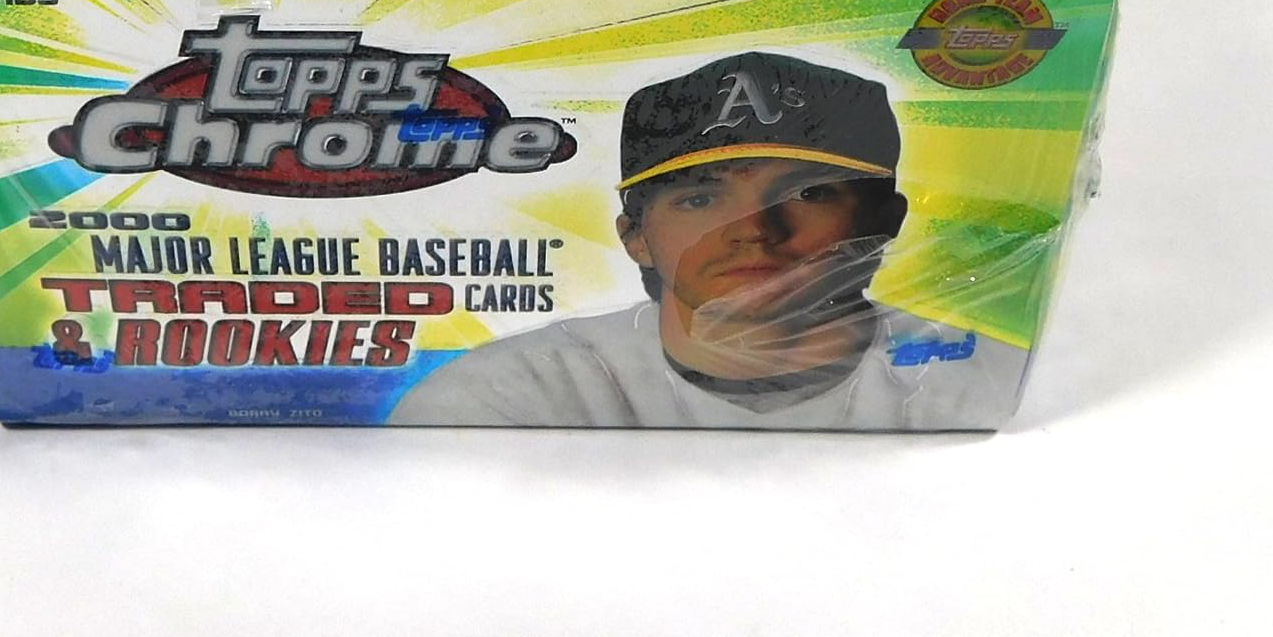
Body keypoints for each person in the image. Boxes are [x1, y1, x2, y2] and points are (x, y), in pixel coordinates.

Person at [388, 51, 1026, 428]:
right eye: (700, 198)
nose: (754, 230)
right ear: (635, 236)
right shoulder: (507, 389)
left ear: (886, 219)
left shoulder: (982, 382)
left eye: (808, 193)